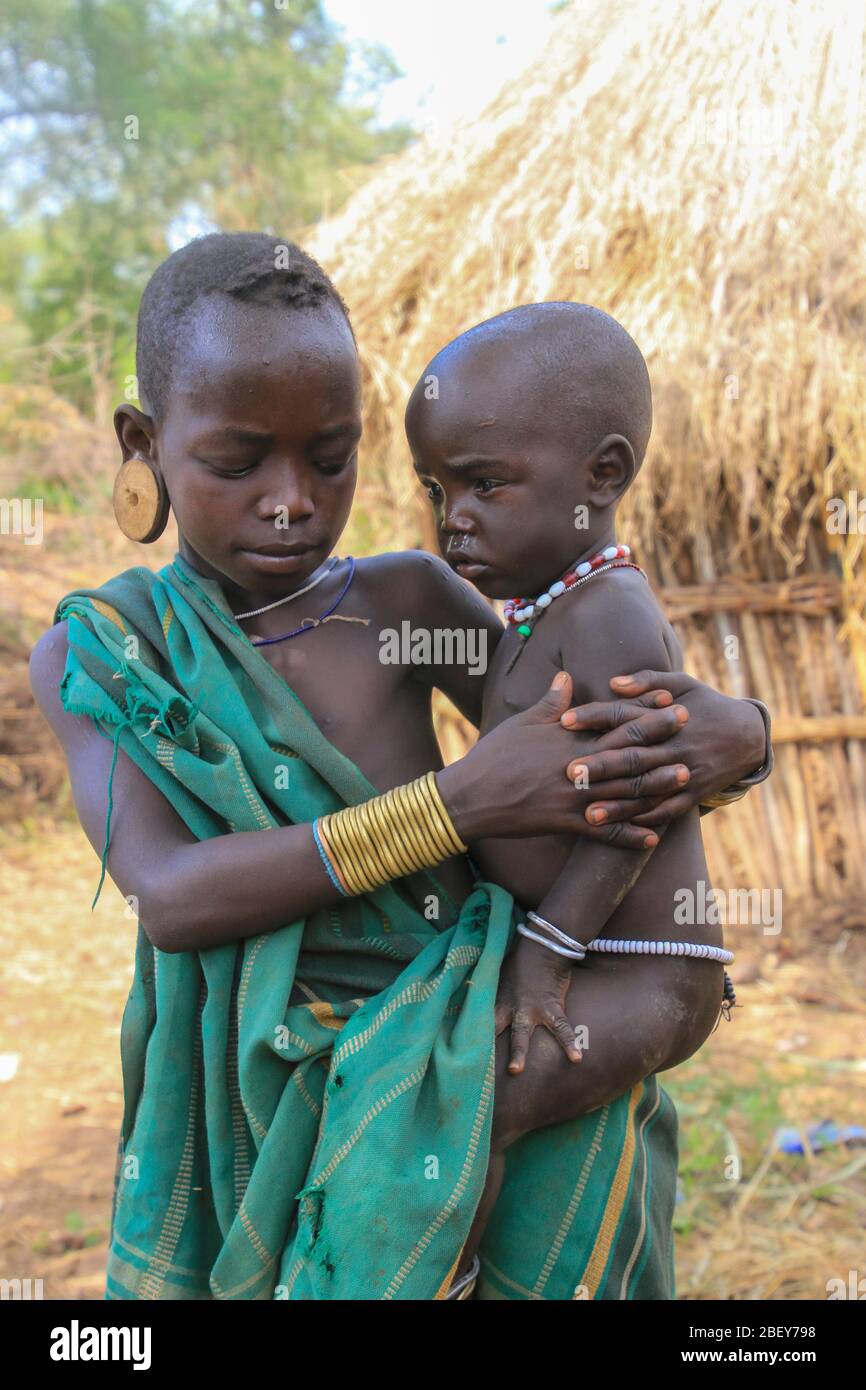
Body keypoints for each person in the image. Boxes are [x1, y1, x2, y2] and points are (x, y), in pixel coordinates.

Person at [28, 233, 772, 1300]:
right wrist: (454, 803)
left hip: (479, 1038)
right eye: (238, 462)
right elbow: (172, 897)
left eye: (330, 457)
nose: (290, 500)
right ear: (144, 441)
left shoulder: (405, 605)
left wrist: (740, 734)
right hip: (263, 1087)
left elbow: (601, 725)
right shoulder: (106, 654)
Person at [406, 302, 766, 1292]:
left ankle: (458, 1280)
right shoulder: (536, 612)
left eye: (482, 484)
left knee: (473, 1103)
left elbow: (631, 813)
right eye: (436, 488)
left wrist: (542, 954)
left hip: (646, 969)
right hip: (594, 954)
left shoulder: (605, 614)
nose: (453, 518)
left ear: (601, 476)